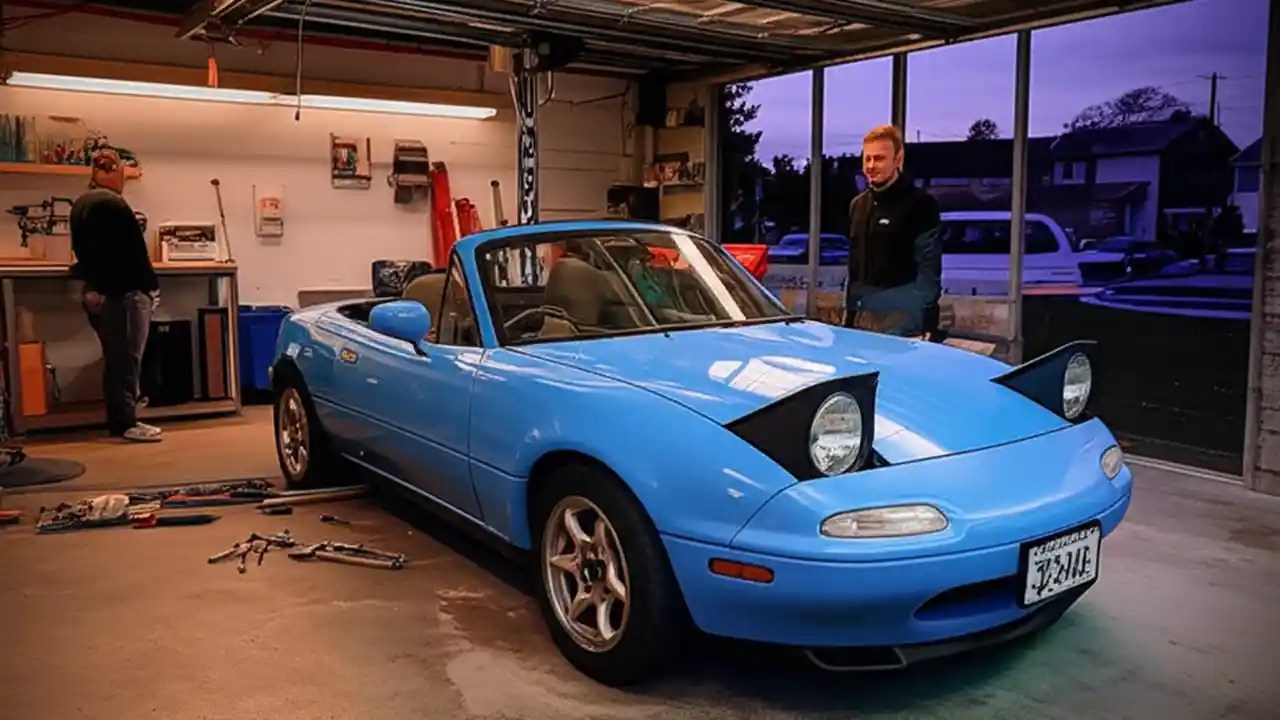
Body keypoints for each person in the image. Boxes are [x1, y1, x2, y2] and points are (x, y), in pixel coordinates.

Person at [69, 148, 163, 442]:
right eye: (120, 173)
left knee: (115, 357)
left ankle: (122, 418)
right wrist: (150, 287)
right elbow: (132, 254)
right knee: (127, 359)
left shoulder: (80, 204)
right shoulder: (114, 205)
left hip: (96, 291)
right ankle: (126, 422)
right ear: (113, 173)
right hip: (124, 293)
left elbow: (87, 253)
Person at [843, 124, 943, 338]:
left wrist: (924, 325)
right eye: (867, 159)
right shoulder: (858, 206)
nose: (871, 165)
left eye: (879, 158)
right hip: (862, 322)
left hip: (905, 325)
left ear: (898, 160)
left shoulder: (921, 205)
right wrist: (850, 317)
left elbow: (928, 270)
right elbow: (855, 269)